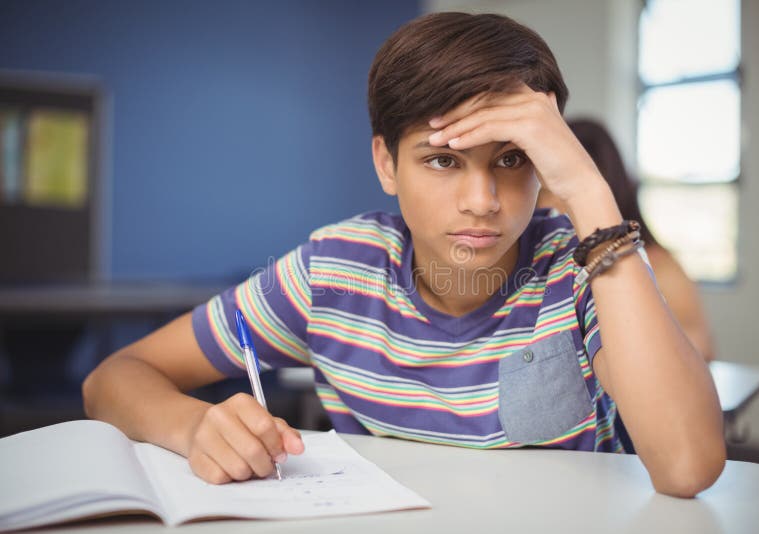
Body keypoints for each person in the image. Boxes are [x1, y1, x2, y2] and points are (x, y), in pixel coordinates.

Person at [82, 12, 725, 498]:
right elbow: (114, 377)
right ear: (386, 163)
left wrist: (588, 188)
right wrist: (192, 427)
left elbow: (689, 465)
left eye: (513, 159)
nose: (482, 200)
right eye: (442, 161)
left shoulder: (581, 270)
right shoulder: (335, 271)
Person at [536, 119, 716, 361]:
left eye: (566, 194)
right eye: (546, 192)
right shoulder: (538, 270)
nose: (552, 207)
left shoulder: (658, 267)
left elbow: (700, 350)